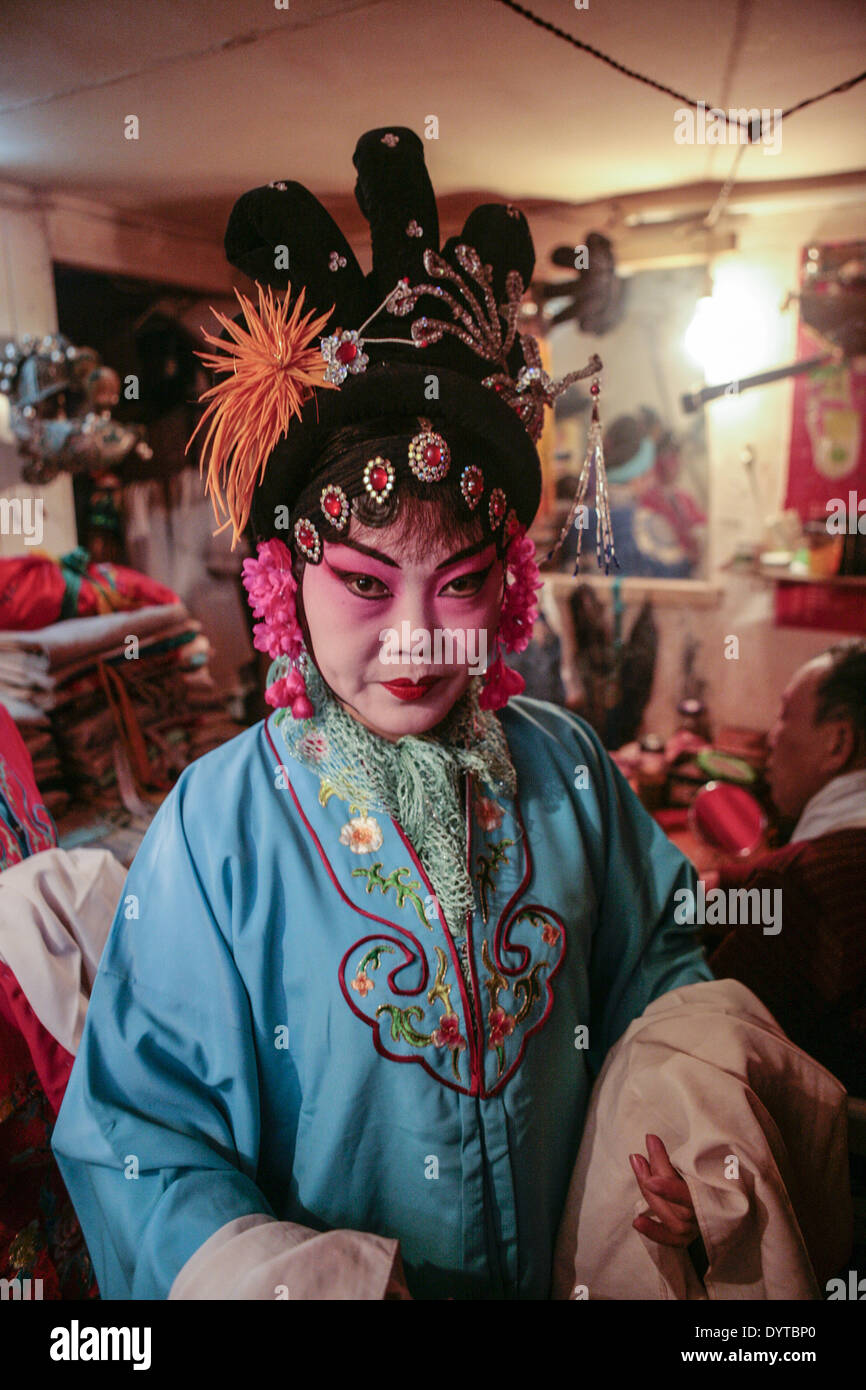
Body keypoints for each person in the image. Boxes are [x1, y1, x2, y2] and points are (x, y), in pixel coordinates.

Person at [51, 127, 712, 1300]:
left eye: (456, 581)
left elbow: (658, 971)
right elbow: (137, 1138)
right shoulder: (218, 828)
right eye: (364, 582)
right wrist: (296, 1277)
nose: (413, 637)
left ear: (505, 586)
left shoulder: (562, 769)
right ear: (281, 580)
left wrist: (672, 1127)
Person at [705, 641, 866, 1093]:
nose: (771, 737)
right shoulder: (805, 873)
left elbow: (704, 1026)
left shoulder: (804, 883)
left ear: (837, 742)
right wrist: (720, 888)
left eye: (784, 715)